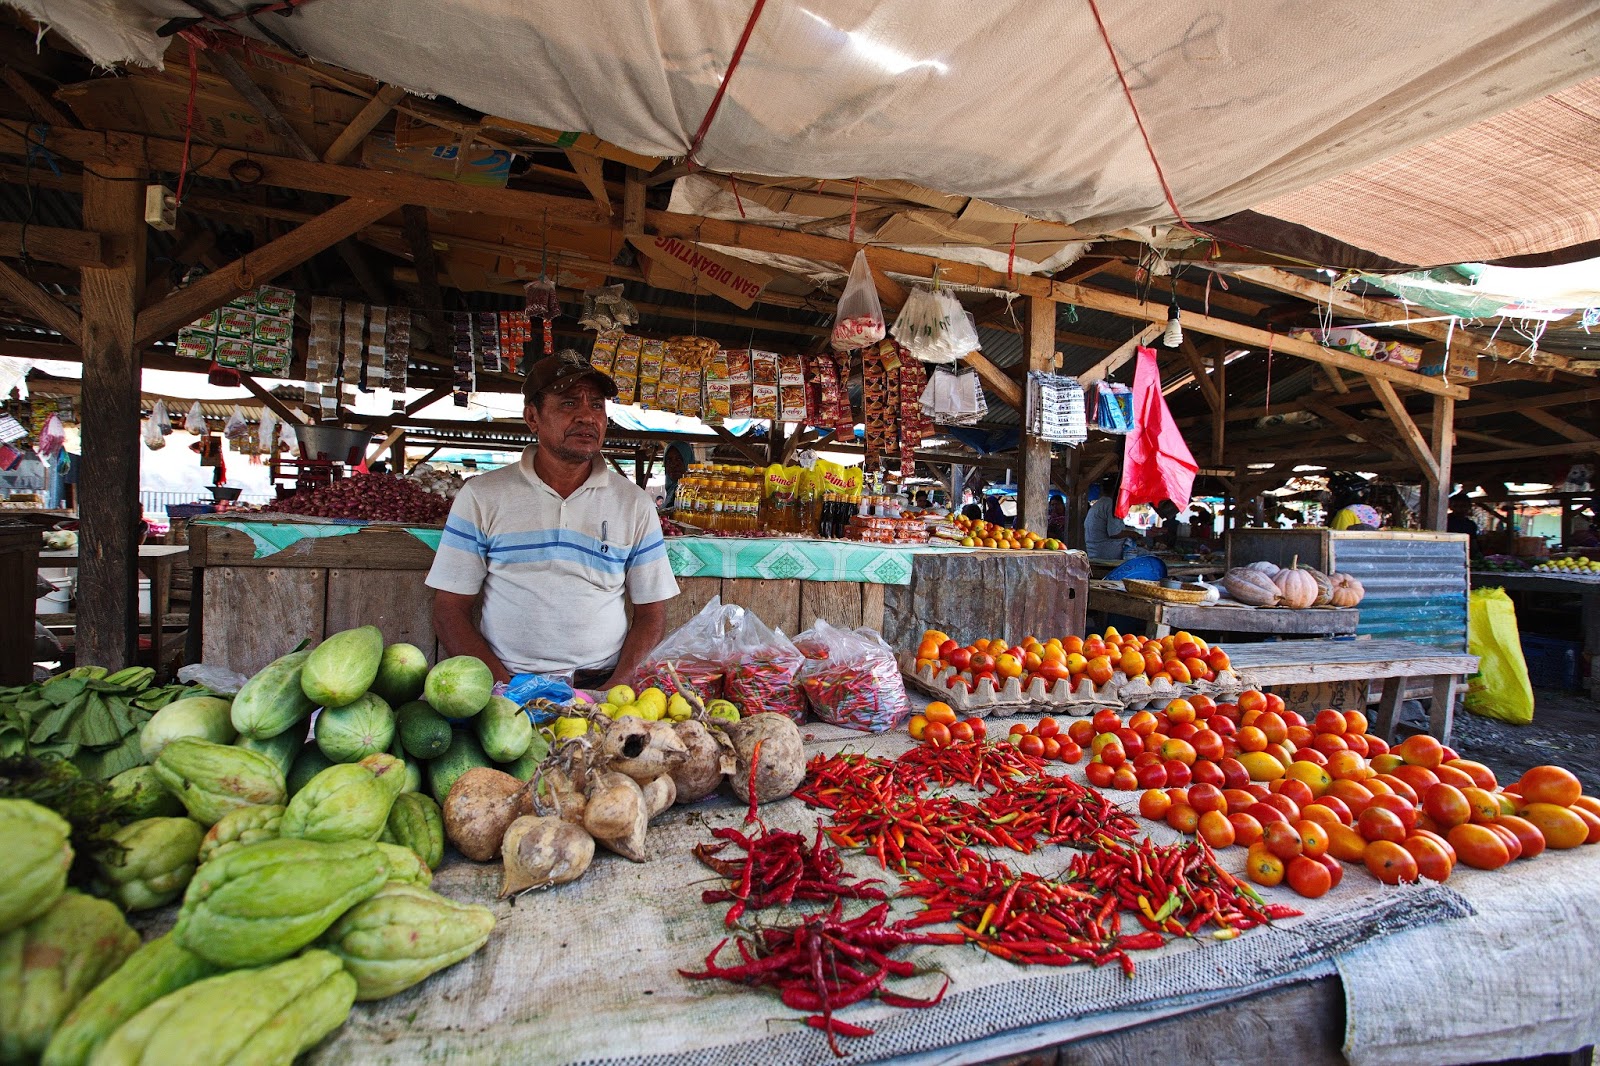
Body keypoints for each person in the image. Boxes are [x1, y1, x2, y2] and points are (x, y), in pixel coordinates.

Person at [428, 351, 679, 690]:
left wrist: (612, 691)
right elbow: (449, 611)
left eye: (596, 406)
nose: (587, 418)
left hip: (599, 685)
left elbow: (651, 616)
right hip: (505, 686)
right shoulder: (482, 497)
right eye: (568, 404)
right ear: (532, 417)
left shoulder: (634, 504)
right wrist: (506, 689)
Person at [1084, 479, 1141, 560]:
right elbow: (1115, 533)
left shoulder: (1100, 503)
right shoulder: (1110, 504)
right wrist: (1132, 533)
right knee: (1149, 557)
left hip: (1096, 552)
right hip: (1107, 554)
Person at [661, 442, 691, 509]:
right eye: (669, 460)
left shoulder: (693, 493)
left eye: (679, 459)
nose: (673, 465)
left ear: (689, 462)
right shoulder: (671, 490)